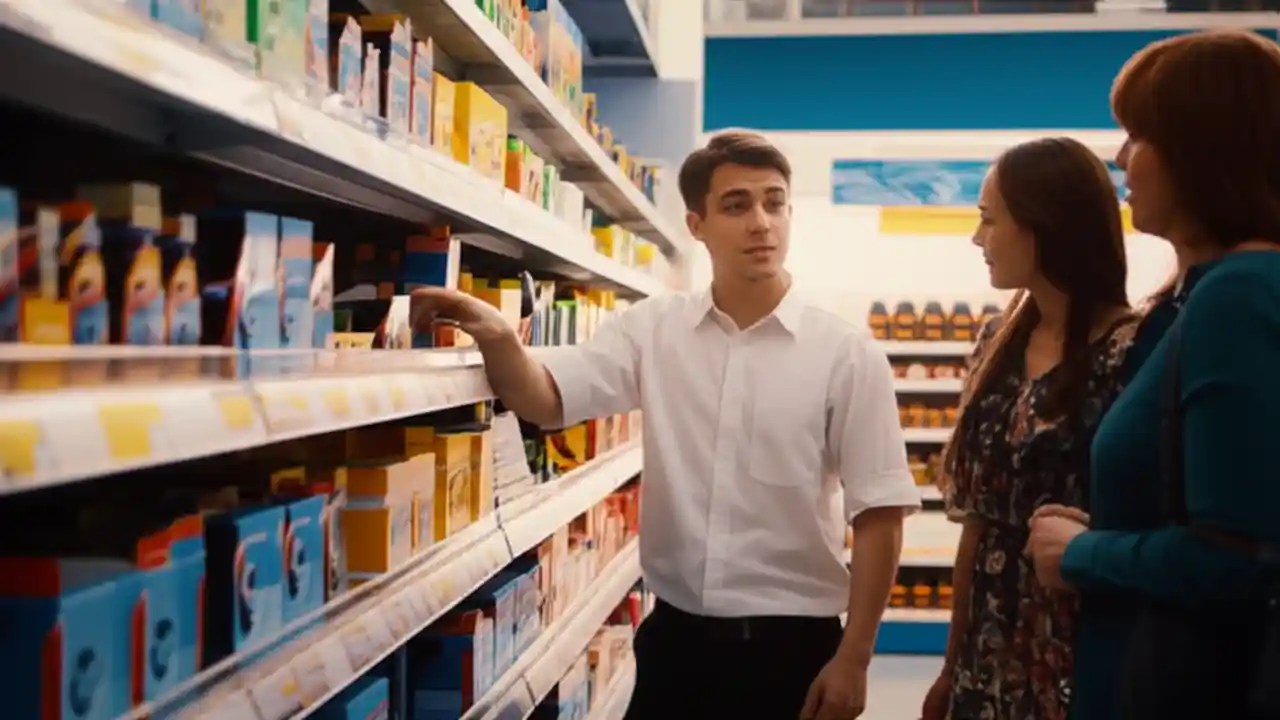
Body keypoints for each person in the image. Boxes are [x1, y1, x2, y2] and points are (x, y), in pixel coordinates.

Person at [411, 131, 922, 720]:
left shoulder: (847, 355)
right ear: (697, 225)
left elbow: (879, 516)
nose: (761, 222)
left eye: (775, 203)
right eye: (736, 205)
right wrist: (499, 334)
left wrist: (855, 657)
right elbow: (548, 401)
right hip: (676, 646)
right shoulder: (653, 330)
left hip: (794, 652)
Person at [1026, 30, 1280, 720]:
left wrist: (1083, 553)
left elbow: (1243, 558)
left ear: (1203, 151)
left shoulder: (1238, 297)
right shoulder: (1206, 298)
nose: (1120, 158)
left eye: (1138, 136)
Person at [921, 138, 1135, 720]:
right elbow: (976, 524)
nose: (977, 238)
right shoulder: (997, 343)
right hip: (987, 651)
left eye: (989, 219)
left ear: (1045, 223)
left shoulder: (1133, 350)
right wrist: (950, 666)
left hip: (1083, 645)